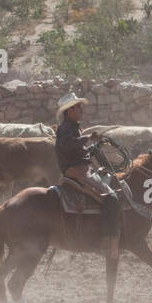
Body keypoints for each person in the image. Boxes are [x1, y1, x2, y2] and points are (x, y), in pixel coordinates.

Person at [55, 93, 123, 261]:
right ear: (68, 111)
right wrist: (87, 138)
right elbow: (67, 144)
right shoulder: (66, 128)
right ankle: (110, 244)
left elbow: (75, 148)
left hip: (82, 167)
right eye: (76, 107)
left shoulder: (73, 126)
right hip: (77, 171)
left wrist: (92, 147)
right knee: (111, 198)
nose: (80, 109)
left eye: (79, 106)